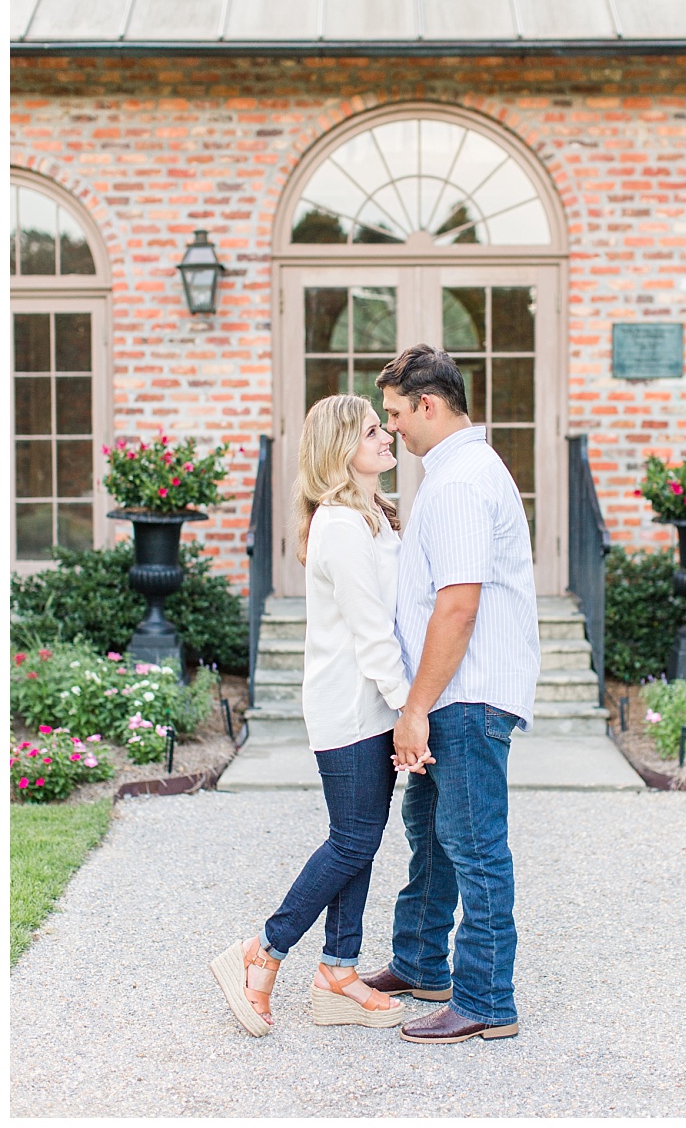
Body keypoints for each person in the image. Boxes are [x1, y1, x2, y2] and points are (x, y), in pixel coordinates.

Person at [210, 394, 412, 1035]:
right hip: (350, 706)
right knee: (352, 840)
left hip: (371, 704)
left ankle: (338, 973)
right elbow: (371, 630)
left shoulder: (373, 515)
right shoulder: (341, 525)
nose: (388, 437)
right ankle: (263, 951)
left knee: (361, 840)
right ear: (341, 449)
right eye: (374, 431)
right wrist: (410, 706)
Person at [357, 344, 541, 1045]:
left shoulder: (463, 480)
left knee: (473, 845)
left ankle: (487, 1000)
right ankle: (420, 964)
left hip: (465, 694)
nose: (391, 427)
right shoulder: (454, 472)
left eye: (395, 413)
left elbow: (458, 607)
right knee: (430, 835)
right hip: (449, 694)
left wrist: (414, 709)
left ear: (428, 405)